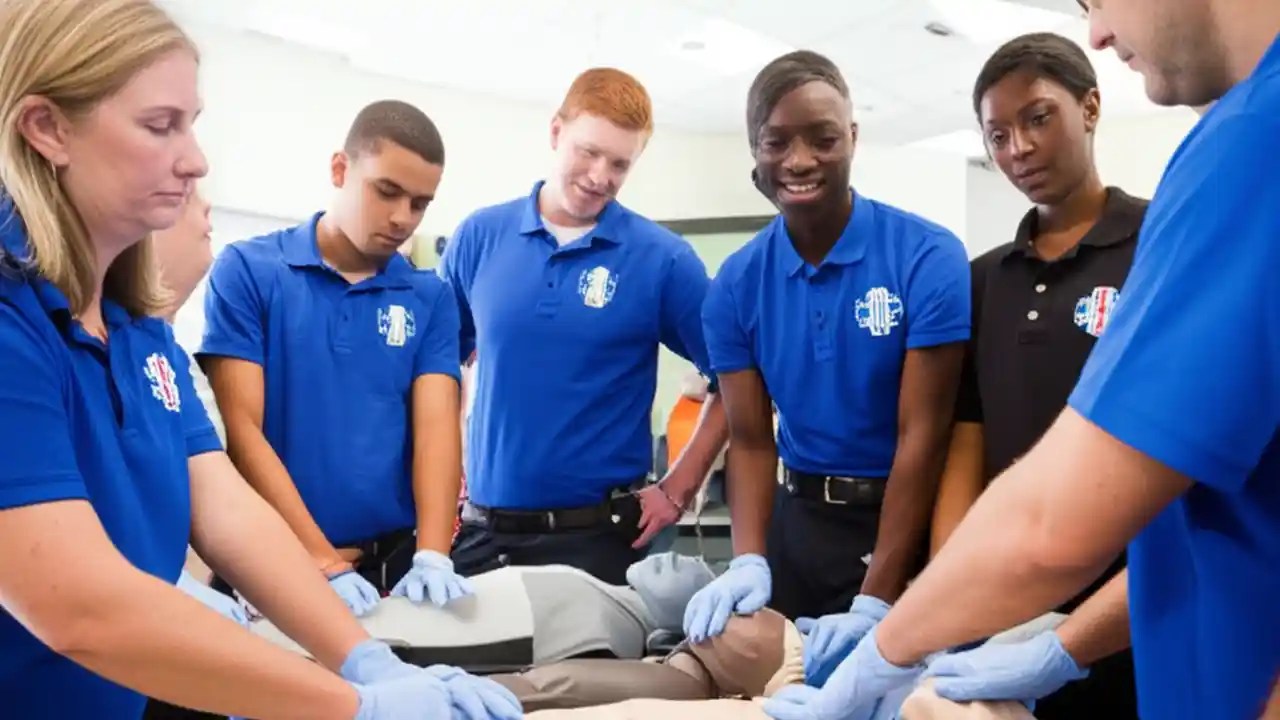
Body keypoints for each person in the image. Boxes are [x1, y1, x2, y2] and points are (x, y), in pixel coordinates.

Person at [760, 2, 1280, 719]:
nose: (1096, 32)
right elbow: (974, 452)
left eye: (1099, 1)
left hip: (1148, 618)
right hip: (1114, 615)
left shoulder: (1244, 152)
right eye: (997, 134)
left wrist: (890, 645)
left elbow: (1057, 519)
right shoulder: (985, 277)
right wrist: (966, 617)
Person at [0, 1, 519, 719]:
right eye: (160, 126)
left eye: (193, 122)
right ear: (48, 128)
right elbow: (78, 606)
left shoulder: (136, 327)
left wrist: (365, 658)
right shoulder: (13, 324)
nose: (196, 160)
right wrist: (349, 704)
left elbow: (224, 507)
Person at [683, 49, 971, 688]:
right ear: (755, 150)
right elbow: (753, 439)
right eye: (776, 141)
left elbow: (920, 439)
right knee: (786, 692)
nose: (800, 160)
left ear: (854, 139)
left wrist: (878, 598)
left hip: (904, 523)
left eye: (823, 138)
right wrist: (750, 559)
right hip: (801, 525)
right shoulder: (735, 284)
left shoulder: (926, 256)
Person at [440, 67, 728, 586]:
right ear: (556, 132)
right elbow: (437, 370)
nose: (600, 176)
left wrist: (677, 488)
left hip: (599, 545)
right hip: (483, 536)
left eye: (620, 163)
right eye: (588, 152)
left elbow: (737, 376)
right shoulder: (478, 237)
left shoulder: (661, 259)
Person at [926, 32, 1142, 718]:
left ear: (1090, 107)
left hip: (1136, 592)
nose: (1017, 147)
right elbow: (968, 438)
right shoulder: (985, 280)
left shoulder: (1160, 242)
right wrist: (947, 592)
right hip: (1013, 596)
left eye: (1037, 118)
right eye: (997, 133)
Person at [198, 100, 472, 616]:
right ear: (341, 169)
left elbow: (438, 429)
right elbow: (242, 432)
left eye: (419, 204)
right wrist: (323, 562)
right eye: (387, 191)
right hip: (270, 566)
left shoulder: (429, 296)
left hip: (388, 571)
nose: (401, 218)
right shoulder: (251, 271)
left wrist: (434, 553)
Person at [249, 551, 717, 669]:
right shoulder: (604, 592)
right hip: (444, 605)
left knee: (316, 641)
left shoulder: (612, 633)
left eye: (703, 580)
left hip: (461, 632)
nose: (691, 560)